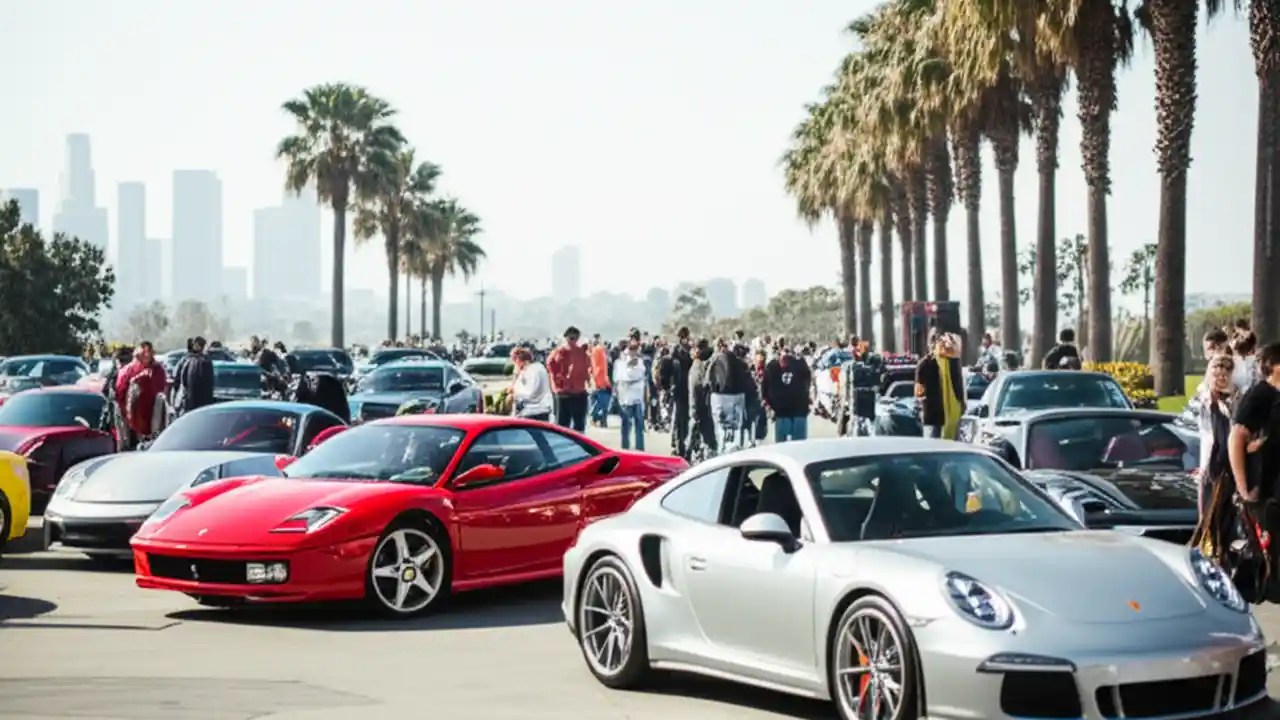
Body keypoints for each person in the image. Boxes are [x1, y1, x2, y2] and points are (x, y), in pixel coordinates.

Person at [1229, 342, 1280, 503]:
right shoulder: (1262, 394)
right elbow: (1236, 437)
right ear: (1275, 367)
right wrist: (1243, 490)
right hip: (1270, 491)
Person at [114, 341, 169, 450]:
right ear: (137, 354)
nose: (146, 355)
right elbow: (120, 394)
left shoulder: (158, 370)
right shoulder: (127, 371)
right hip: (131, 422)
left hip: (152, 422)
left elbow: (161, 393)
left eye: (149, 352)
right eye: (143, 352)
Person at [915, 333, 964, 439]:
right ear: (930, 345)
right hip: (933, 417)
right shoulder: (924, 365)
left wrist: (961, 403)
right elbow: (919, 392)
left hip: (951, 414)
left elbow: (958, 385)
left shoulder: (952, 362)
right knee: (934, 446)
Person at [705, 338, 749, 449]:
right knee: (736, 428)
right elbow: (747, 380)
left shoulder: (714, 361)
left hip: (718, 397)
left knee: (720, 427)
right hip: (737, 397)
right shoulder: (739, 362)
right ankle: (737, 448)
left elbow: (707, 381)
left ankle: (720, 449)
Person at [763, 343, 812, 442]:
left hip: (790, 410)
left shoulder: (772, 366)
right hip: (788, 410)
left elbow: (765, 388)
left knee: (792, 445)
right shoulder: (800, 364)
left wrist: (769, 404)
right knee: (794, 445)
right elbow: (808, 381)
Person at [546, 326, 590, 431]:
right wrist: (559, 384)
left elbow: (586, 369)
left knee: (572, 427)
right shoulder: (559, 353)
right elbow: (552, 369)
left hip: (574, 393)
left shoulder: (580, 353)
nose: (573, 341)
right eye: (571, 338)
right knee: (567, 426)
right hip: (568, 393)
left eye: (575, 338)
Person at [613, 339, 647, 450]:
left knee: (639, 426)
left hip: (637, 398)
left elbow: (640, 374)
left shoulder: (640, 362)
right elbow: (620, 378)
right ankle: (625, 449)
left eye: (635, 349)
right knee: (626, 426)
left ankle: (640, 449)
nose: (633, 351)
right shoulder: (620, 363)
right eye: (631, 349)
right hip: (626, 399)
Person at [668, 327, 695, 458]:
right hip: (681, 389)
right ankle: (679, 446)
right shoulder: (679, 352)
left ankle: (681, 445)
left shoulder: (682, 351)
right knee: (680, 420)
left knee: (682, 419)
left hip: (684, 389)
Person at [510, 347, 553, 421]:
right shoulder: (533, 368)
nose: (515, 364)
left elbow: (531, 393)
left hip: (534, 411)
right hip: (537, 410)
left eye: (515, 361)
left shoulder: (533, 371)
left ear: (519, 360)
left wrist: (515, 395)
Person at [176, 335, 215, 415]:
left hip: (189, 405)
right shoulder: (206, 362)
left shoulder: (187, 361)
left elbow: (179, 381)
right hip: (202, 406)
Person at [588, 337, 612, 428]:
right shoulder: (599, 353)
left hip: (597, 382)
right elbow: (600, 370)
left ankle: (600, 420)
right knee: (603, 402)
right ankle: (597, 418)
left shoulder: (594, 354)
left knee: (598, 402)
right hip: (601, 383)